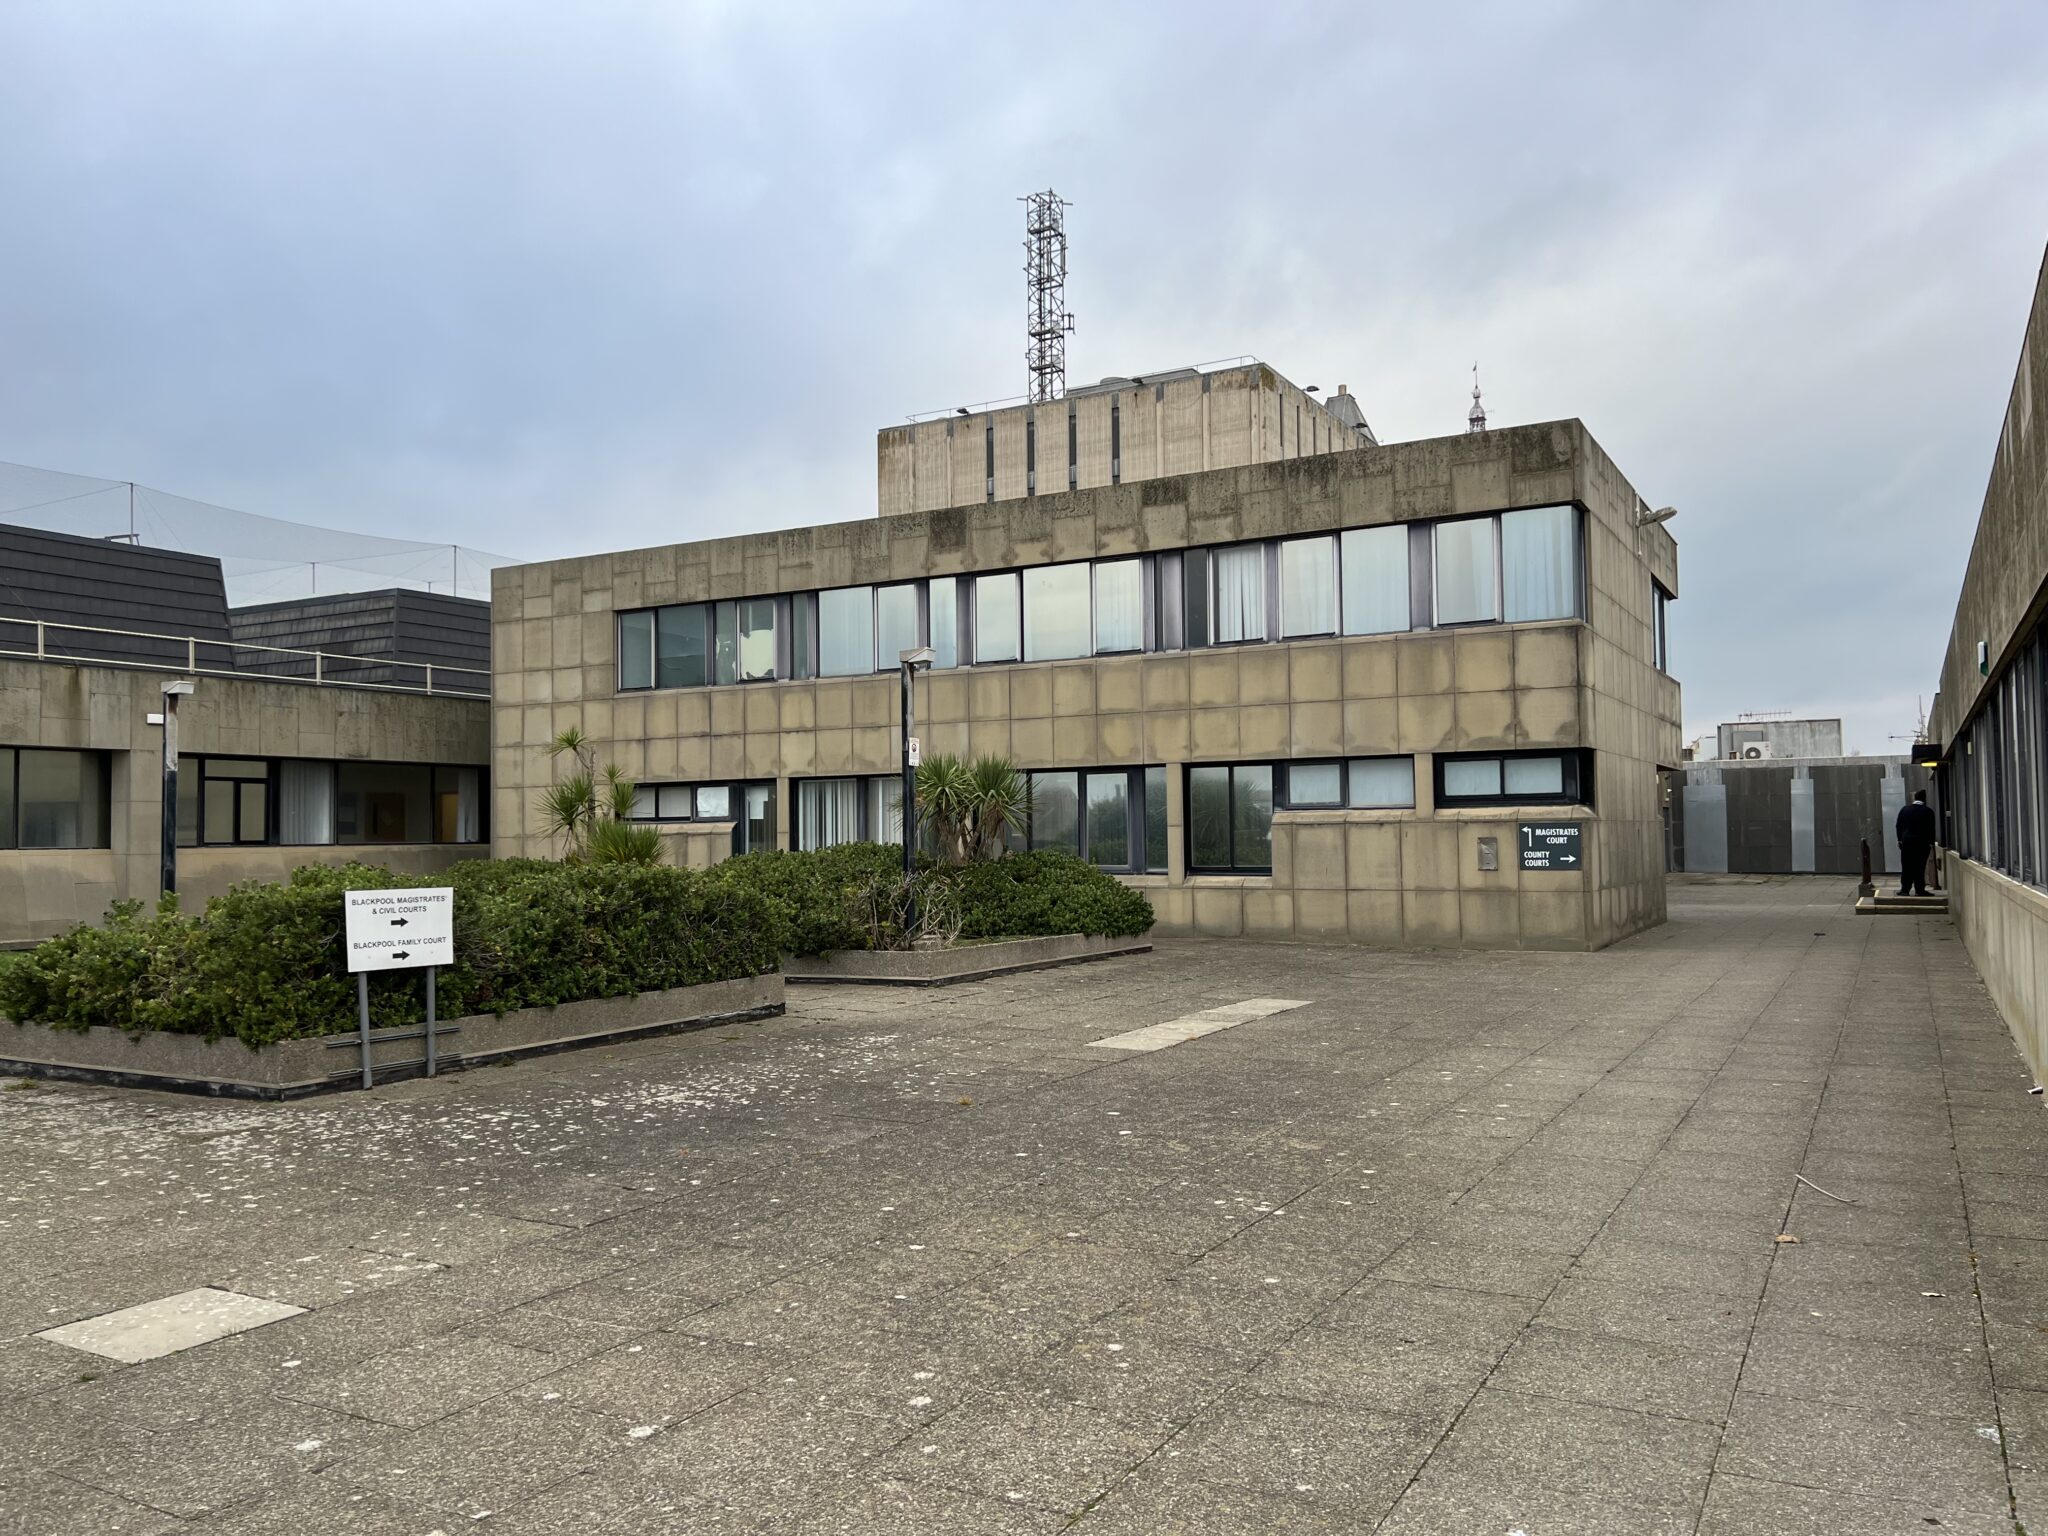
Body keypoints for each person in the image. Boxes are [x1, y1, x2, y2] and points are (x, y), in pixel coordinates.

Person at [1896, 790, 1937, 896]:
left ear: (1915, 798)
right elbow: (1931, 828)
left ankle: (1905, 889)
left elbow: (1898, 826)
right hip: (1922, 843)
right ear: (1924, 799)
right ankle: (1919, 889)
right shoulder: (1928, 811)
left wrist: (1899, 839)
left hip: (1907, 842)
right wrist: (1931, 843)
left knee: (1906, 866)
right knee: (1920, 866)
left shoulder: (1904, 810)